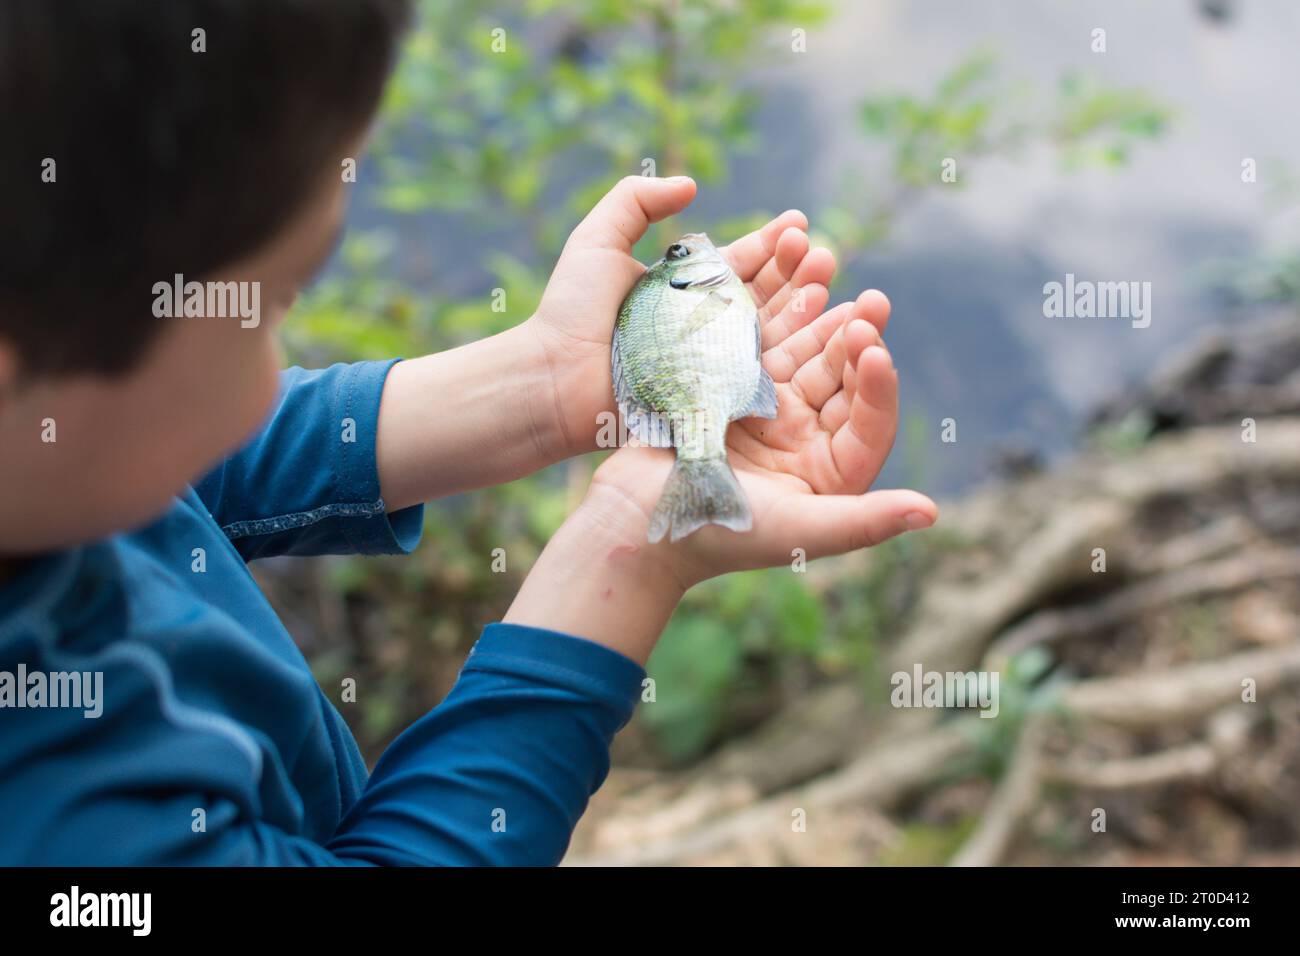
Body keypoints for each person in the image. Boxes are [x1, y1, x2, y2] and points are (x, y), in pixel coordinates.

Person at [0, 0, 936, 864]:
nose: (267, 370)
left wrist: (540, 390)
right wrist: (630, 552)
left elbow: (170, 470)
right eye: (267, 306)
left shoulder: (50, 456)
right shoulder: (74, 822)